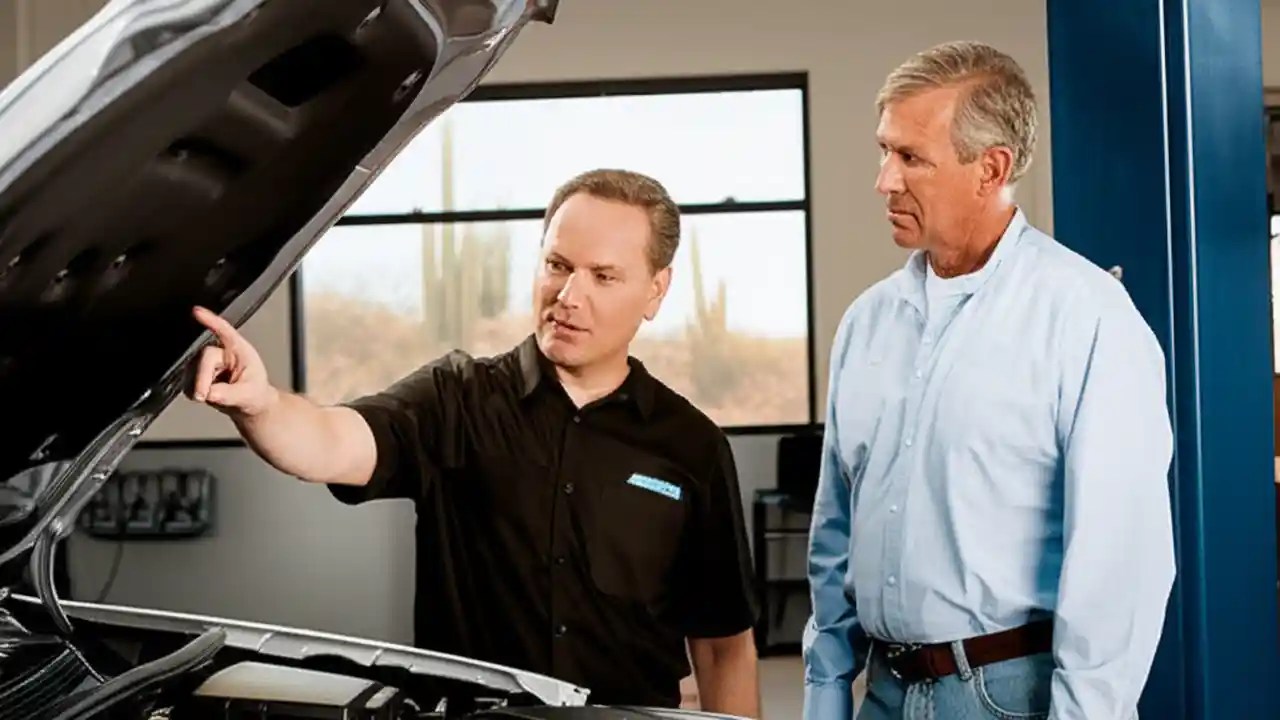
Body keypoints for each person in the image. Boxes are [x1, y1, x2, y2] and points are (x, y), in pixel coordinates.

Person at [186, 168, 761, 714]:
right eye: (557, 265)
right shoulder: (456, 398)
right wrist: (262, 405)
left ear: (655, 291)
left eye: (603, 276)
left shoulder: (691, 446)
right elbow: (331, 441)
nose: (569, 295)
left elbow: (722, 647)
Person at [802, 41, 1176, 720]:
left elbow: (1122, 566)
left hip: (1009, 697)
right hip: (881, 694)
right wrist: (826, 695)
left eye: (911, 158)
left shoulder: (1086, 317)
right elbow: (835, 537)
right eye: (884, 151)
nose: (884, 180)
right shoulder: (868, 323)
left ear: (991, 168)